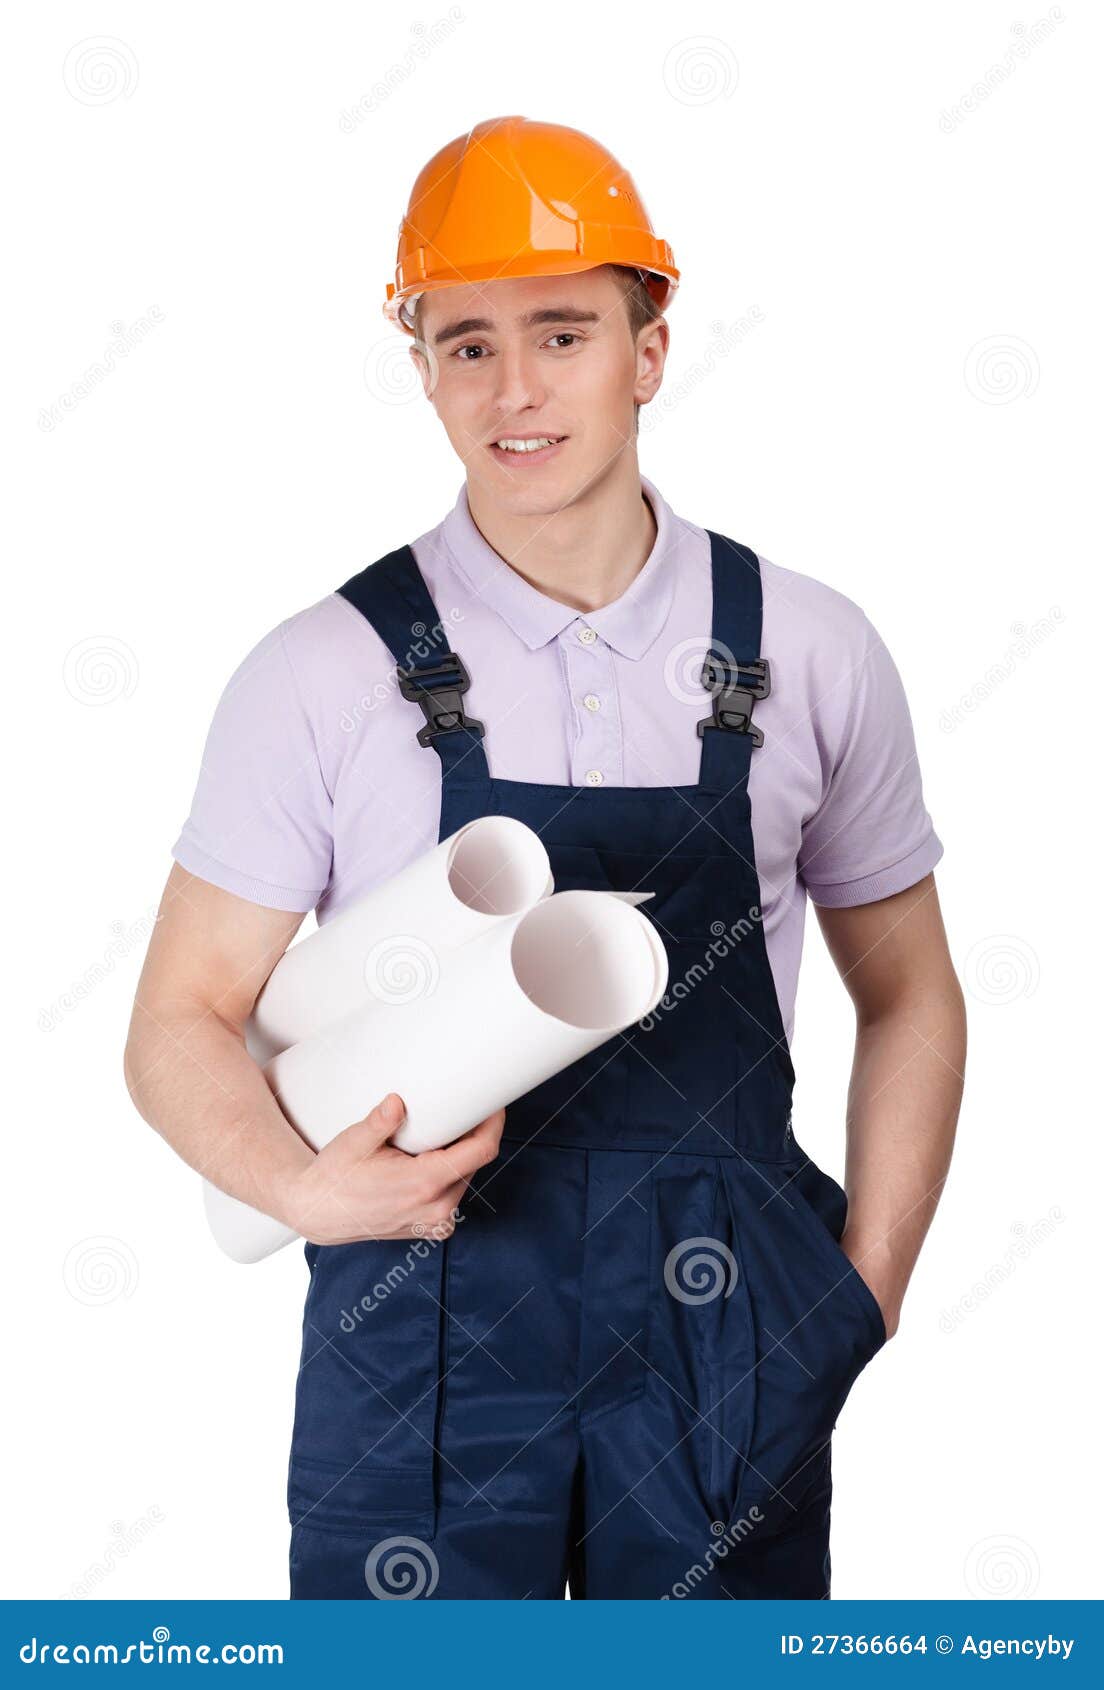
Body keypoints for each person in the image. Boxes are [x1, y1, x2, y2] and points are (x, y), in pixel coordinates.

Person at [124, 115, 966, 1600]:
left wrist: (861, 1298)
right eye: (466, 344)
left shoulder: (810, 651)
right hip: (424, 1351)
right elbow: (179, 1013)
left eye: (564, 332)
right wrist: (297, 1187)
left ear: (649, 344)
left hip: (730, 1354)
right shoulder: (319, 674)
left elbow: (911, 994)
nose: (514, 390)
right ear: (423, 366)